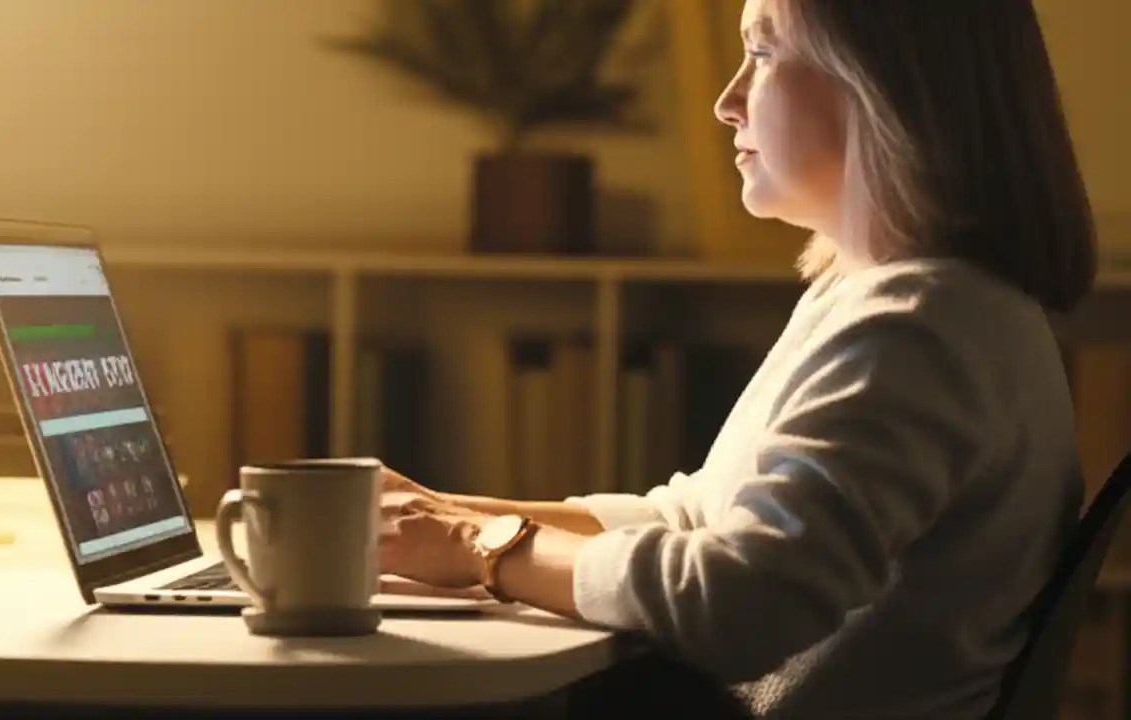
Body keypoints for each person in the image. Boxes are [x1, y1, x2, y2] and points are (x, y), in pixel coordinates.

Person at [375, 0, 1096, 717]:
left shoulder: (921, 326)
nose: (727, 102)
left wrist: (476, 545)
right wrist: (440, 515)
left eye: (763, 52)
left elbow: (740, 603)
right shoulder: (886, 298)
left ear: (883, 83)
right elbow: (698, 519)